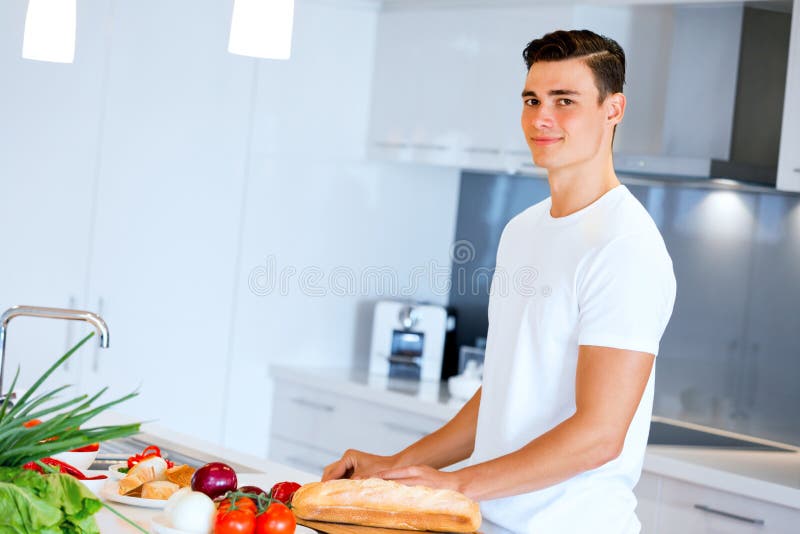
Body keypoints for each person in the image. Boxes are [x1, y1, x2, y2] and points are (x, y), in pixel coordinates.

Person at [323, 29, 677, 534]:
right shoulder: (523, 231)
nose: (541, 118)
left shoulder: (625, 247)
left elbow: (599, 435)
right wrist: (395, 468)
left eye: (565, 101)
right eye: (532, 99)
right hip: (489, 519)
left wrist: (457, 484)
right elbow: (504, 392)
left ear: (613, 109)